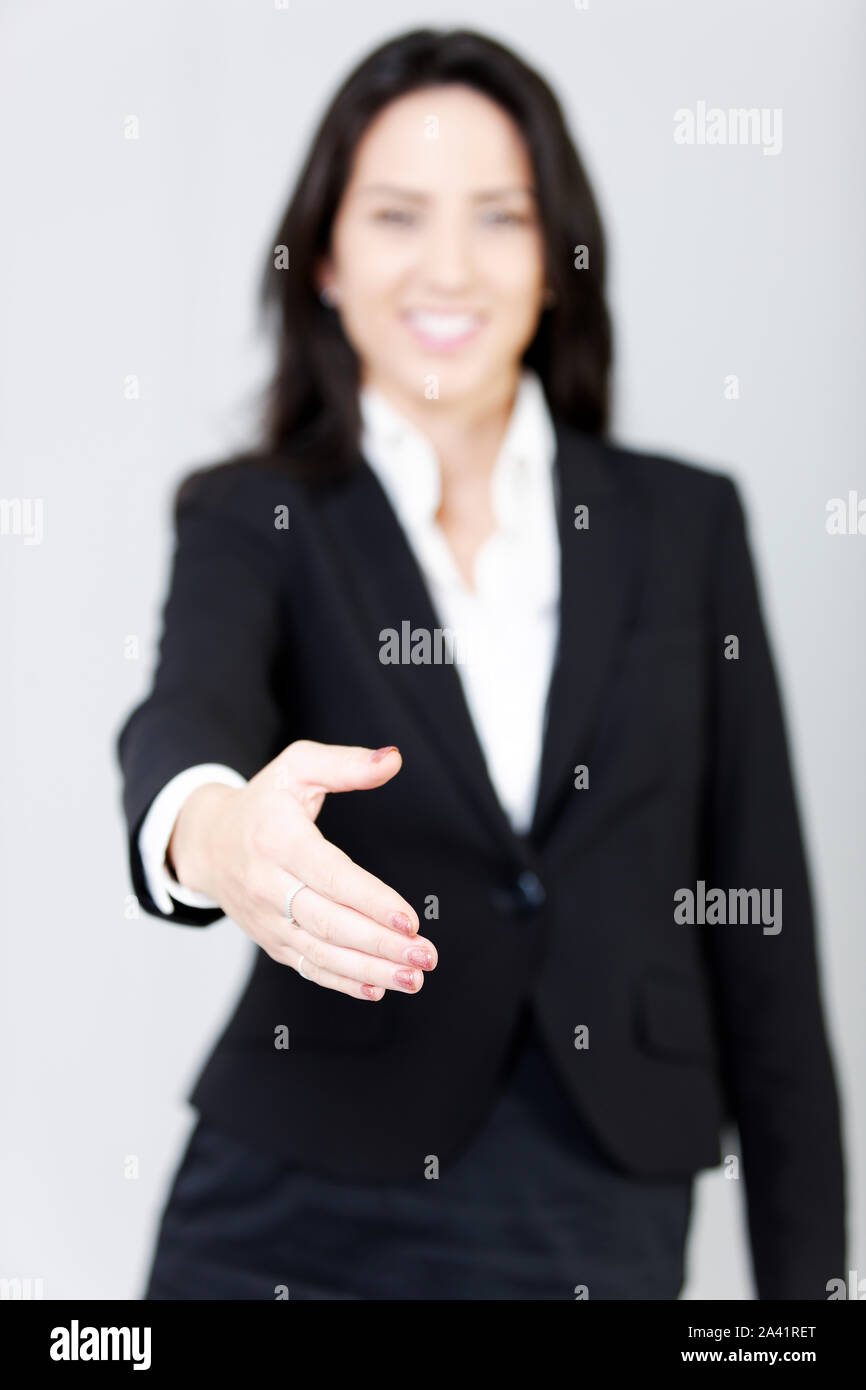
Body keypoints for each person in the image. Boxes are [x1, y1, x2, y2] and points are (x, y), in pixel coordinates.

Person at [116, 28, 845, 1300]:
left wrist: (808, 1299)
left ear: (557, 261)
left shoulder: (684, 527)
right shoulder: (252, 516)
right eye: (396, 215)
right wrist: (215, 831)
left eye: (498, 218)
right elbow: (187, 714)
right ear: (327, 259)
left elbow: (762, 927)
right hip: (294, 1198)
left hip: (599, 1194)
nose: (446, 267)